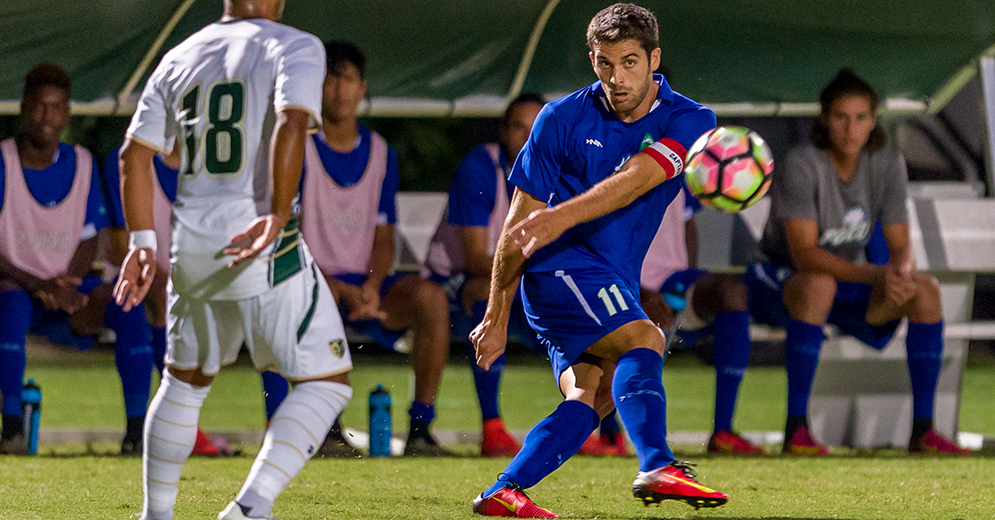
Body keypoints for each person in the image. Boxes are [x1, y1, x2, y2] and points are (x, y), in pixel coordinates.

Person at [470, 4, 729, 517]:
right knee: (645, 338)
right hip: (556, 269)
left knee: (594, 393)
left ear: (654, 59)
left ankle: (504, 491)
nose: (617, 78)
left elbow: (639, 177)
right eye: (606, 63)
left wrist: (559, 216)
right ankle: (658, 465)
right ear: (593, 61)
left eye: (630, 62)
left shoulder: (691, 120)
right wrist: (495, 315)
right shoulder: (560, 118)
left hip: (611, 278)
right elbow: (518, 225)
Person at [114, 1, 354, 518]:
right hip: (258, 236)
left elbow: (137, 154)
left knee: (183, 382)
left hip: (191, 244)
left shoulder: (180, 54)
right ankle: (250, 507)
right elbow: (291, 122)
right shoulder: (294, 44)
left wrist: (141, 243)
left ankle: (156, 514)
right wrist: (276, 213)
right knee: (326, 383)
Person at [745, 69, 970, 456]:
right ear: (823, 118)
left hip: (845, 282)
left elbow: (900, 243)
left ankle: (923, 431)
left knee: (925, 292)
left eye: (861, 117)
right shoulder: (802, 163)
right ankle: (796, 429)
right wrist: (873, 274)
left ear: (874, 120)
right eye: (841, 117)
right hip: (781, 282)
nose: (851, 129)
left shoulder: (887, 162)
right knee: (819, 284)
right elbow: (804, 254)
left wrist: (900, 273)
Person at [297, 41, 451, 457]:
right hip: (313, 281)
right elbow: (289, 234)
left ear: (362, 88)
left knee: (432, 299)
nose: (339, 90)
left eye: (347, 79)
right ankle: (327, 429)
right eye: (330, 79)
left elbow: (384, 234)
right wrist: (341, 288)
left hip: (365, 283)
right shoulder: (298, 146)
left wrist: (370, 285)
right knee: (320, 297)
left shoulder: (381, 151)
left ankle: (420, 429)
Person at [0, 63, 153, 456]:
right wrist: (37, 284)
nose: (46, 117)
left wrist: (68, 281)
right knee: (11, 305)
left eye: (56, 108)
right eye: (39, 106)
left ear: (67, 112)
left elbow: (89, 235)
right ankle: (11, 428)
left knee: (126, 304)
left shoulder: (83, 162)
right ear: (24, 107)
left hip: (64, 289)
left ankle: (137, 432)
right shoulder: (3, 161)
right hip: (16, 286)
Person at [102, 144, 292, 456]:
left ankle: (279, 429)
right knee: (151, 300)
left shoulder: (226, 157)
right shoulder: (133, 156)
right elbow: (119, 244)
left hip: (213, 273)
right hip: (159, 284)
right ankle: (165, 428)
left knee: (270, 300)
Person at [423, 92, 545, 457]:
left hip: (518, 280)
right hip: (454, 282)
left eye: (537, 128)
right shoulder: (479, 168)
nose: (528, 138)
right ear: (503, 131)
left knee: (582, 298)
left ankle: (597, 425)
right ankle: (490, 427)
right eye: (518, 127)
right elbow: (475, 259)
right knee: (482, 291)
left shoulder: (558, 170)